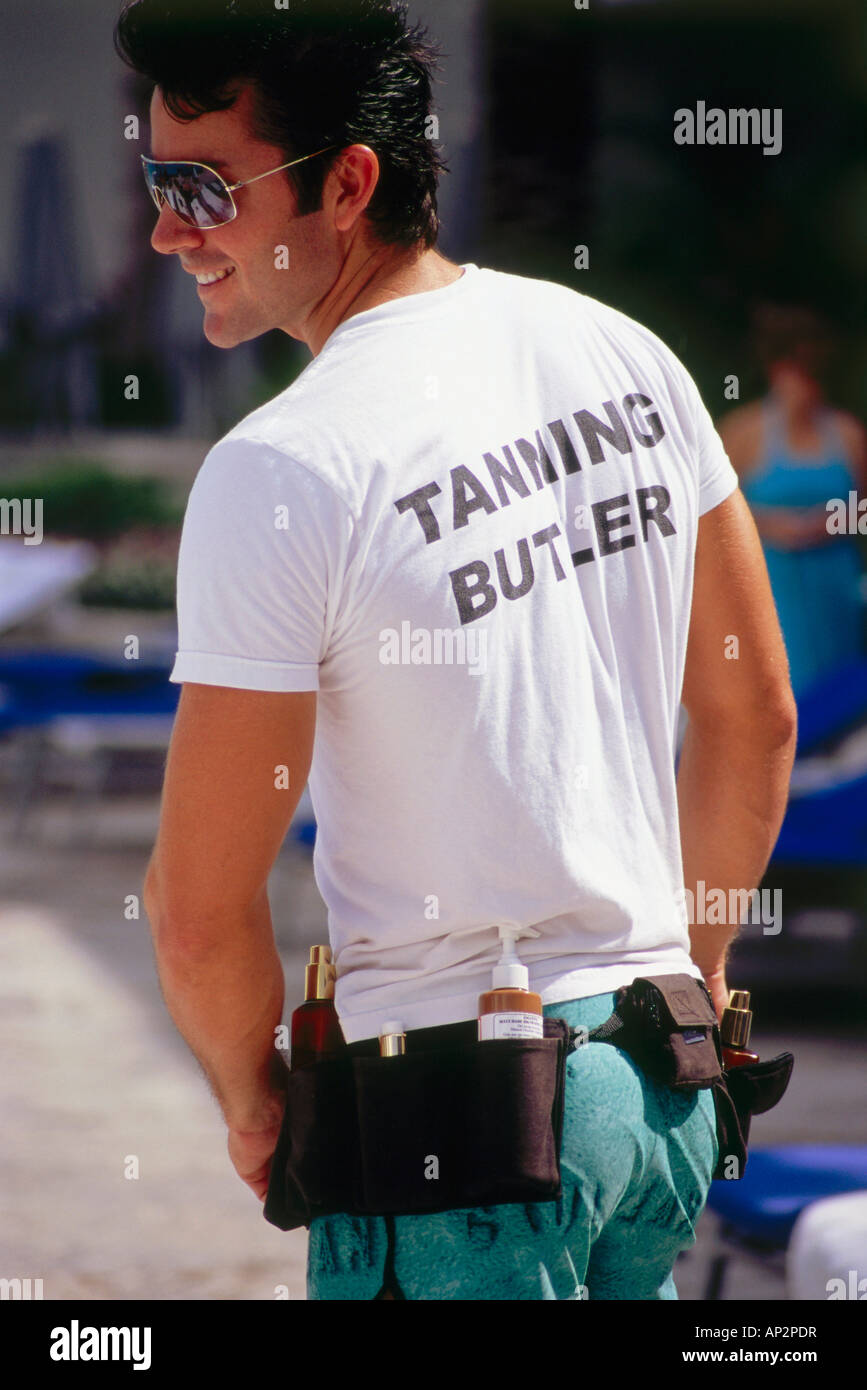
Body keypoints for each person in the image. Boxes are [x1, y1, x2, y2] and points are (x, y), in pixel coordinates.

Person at [116, 0, 798, 1300]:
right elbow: (751, 716)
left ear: (349, 182)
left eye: (198, 184)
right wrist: (689, 969)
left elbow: (200, 914)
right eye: (151, 182)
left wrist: (254, 1103)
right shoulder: (627, 359)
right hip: (655, 1094)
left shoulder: (282, 464)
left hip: (452, 1125)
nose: (163, 229)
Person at [719, 305, 867, 698]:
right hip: (773, 586)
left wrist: (825, 524)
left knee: (840, 697)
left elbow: (865, 513)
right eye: (797, 368)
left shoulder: (846, 432)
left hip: (834, 582)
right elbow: (712, 516)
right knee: (783, 689)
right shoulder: (742, 432)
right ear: (776, 369)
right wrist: (770, 525)